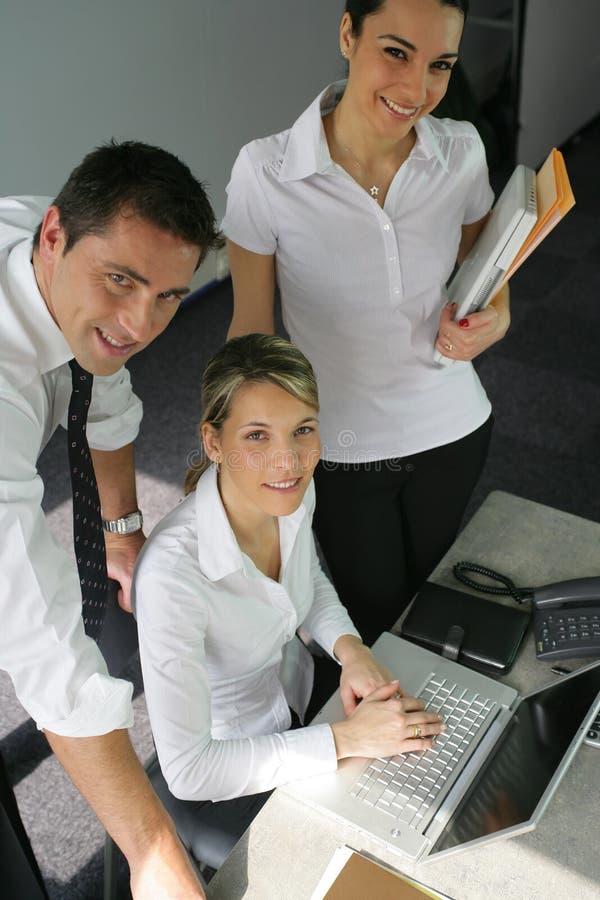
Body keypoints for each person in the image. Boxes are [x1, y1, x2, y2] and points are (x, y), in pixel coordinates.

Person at [222, 0, 509, 645]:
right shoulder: (266, 172)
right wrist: (243, 453)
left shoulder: (460, 150)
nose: (416, 89)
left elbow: (492, 282)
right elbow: (249, 332)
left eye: (439, 64)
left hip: (454, 429)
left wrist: (493, 321)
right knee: (377, 623)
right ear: (348, 34)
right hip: (343, 448)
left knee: (434, 610)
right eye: (396, 52)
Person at [0, 140, 221, 898]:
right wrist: (153, 849)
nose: (140, 321)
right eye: (122, 281)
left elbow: (107, 398)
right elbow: (41, 642)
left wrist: (122, 529)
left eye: (167, 296)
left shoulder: (41, 238)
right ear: (57, 239)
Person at [133, 333, 445, 869]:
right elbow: (189, 772)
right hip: (233, 765)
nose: (289, 458)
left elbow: (307, 583)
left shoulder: (291, 490)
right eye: (257, 436)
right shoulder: (171, 574)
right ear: (213, 442)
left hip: (302, 704)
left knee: (422, 805)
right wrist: (345, 740)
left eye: (304, 429)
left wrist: (352, 651)